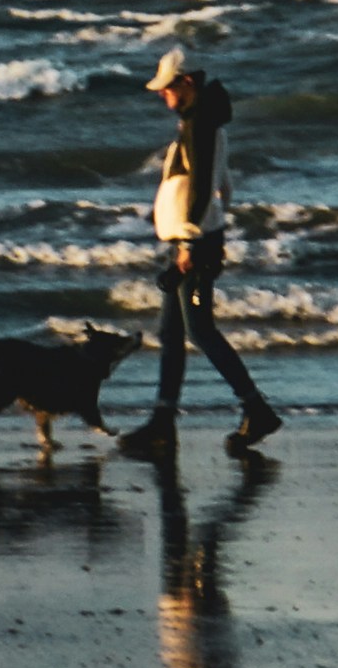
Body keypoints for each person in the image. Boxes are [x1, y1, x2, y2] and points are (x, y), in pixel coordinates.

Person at [111, 48, 279, 459]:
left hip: (195, 243)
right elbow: (222, 183)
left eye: (167, 89)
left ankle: (256, 409)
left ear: (186, 83)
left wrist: (189, 242)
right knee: (171, 333)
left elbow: (204, 184)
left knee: (199, 330)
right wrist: (200, 225)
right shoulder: (202, 120)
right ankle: (162, 424)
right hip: (194, 239)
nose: (162, 96)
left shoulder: (201, 122)